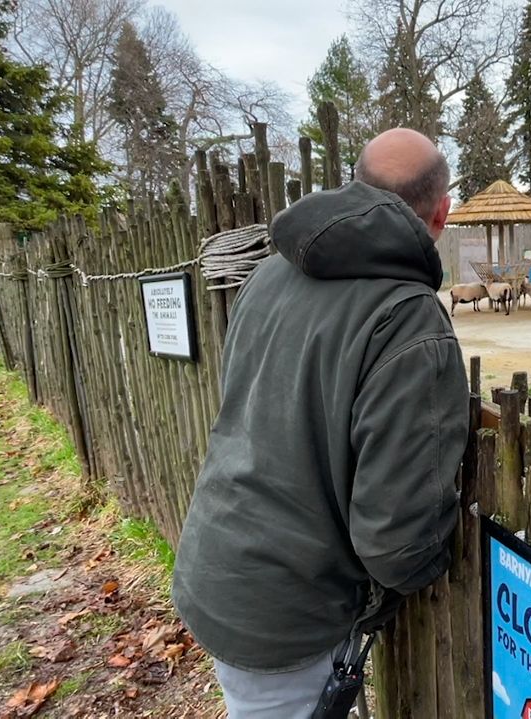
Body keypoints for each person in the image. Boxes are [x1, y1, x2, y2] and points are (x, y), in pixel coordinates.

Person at [172, 128, 469, 718]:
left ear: (356, 185)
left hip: (215, 561)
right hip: (288, 614)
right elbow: (398, 541)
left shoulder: (269, 274)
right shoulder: (408, 320)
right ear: (443, 212)